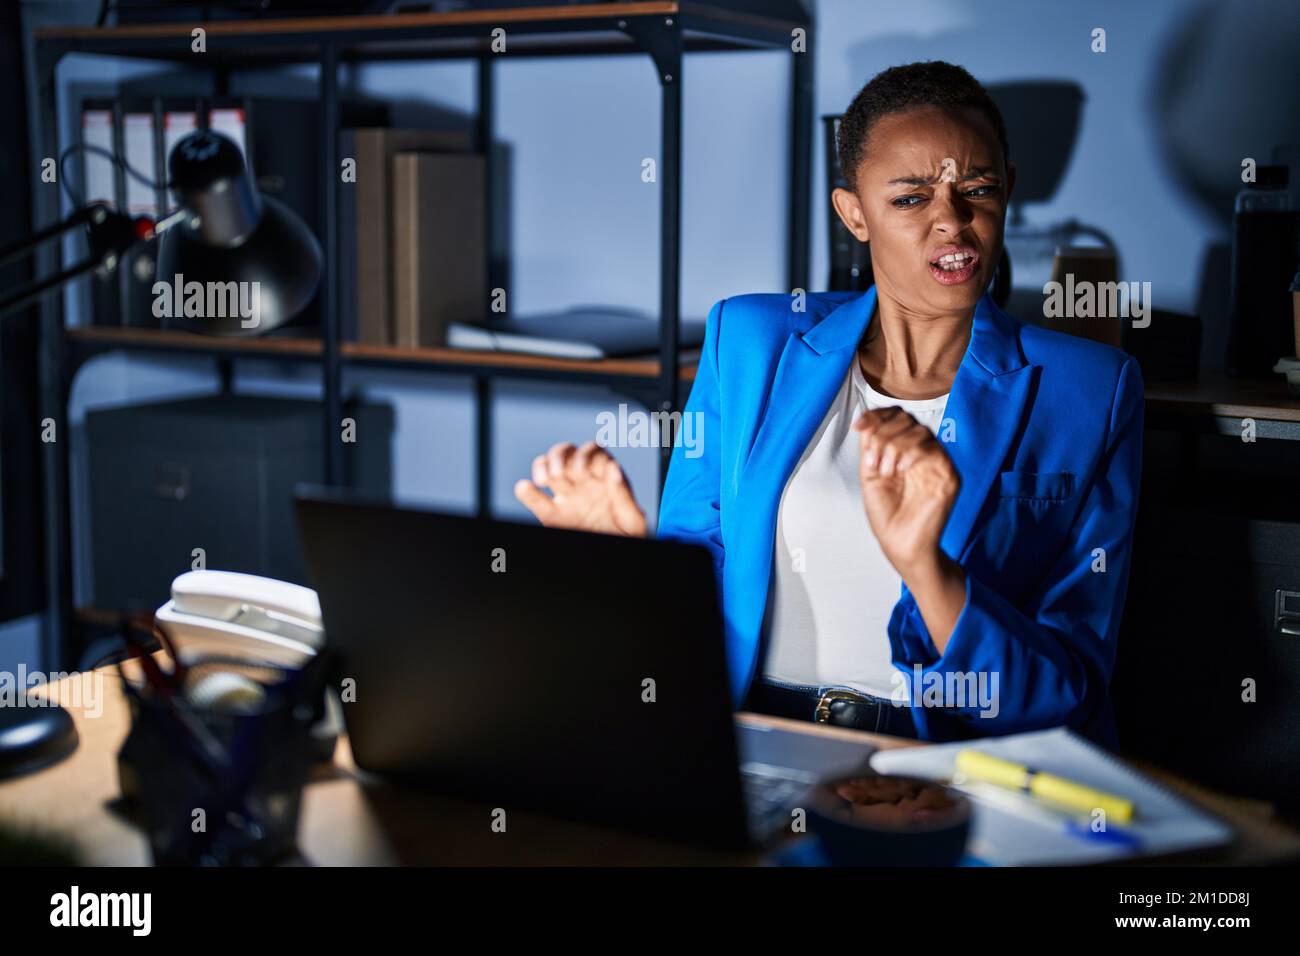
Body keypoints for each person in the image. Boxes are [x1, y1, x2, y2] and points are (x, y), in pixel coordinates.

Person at [513, 61, 1143, 746]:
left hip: (946, 761)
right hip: (750, 739)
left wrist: (930, 573)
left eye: (978, 189)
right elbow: (689, 621)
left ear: (1008, 191)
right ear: (854, 214)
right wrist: (629, 564)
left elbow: (1069, 692)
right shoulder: (749, 343)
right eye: (909, 199)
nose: (951, 222)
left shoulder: (1092, 389)